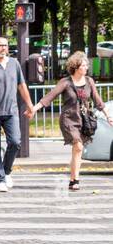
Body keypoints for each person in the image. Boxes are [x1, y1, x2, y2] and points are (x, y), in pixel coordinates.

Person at [32, 51, 107, 191]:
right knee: (78, 146)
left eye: (86, 65)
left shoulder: (89, 81)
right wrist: (35, 108)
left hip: (83, 120)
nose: (86, 68)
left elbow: (98, 101)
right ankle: (75, 179)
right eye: (83, 65)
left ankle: (73, 179)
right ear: (76, 67)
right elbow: (50, 96)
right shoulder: (65, 82)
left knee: (77, 150)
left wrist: (108, 116)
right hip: (68, 119)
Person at [0, 35, 35, 192]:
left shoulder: (14, 63)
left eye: (5, 46)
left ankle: (6, 171)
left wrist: (30, 105)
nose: (2, 48)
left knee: (15, 142)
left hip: (11, 112)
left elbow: (22, 86)